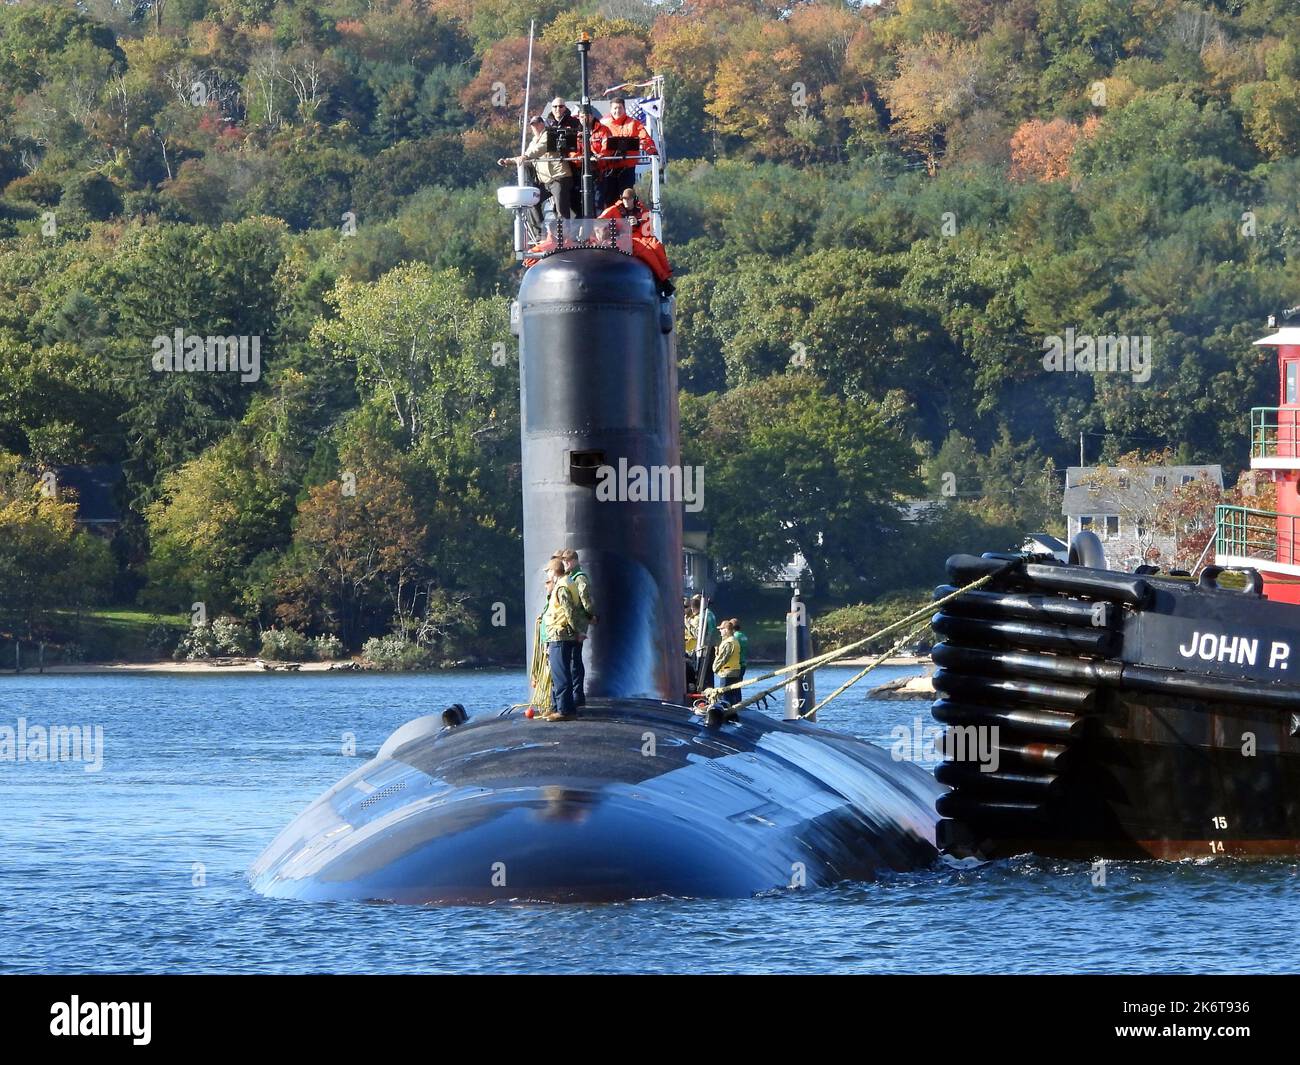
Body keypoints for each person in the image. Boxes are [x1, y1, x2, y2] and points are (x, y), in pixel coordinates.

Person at [598, 187, 673, 295]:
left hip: (640, 236)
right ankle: (662, 279)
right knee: (645, 251)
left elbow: (647, 232)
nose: (626, 201)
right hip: (622, 238)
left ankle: (665, 276)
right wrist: (613, 228)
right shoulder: (613, 210)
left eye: (629, 199)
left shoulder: (643, 210)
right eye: (624, 199)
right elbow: (599, 222)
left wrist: (638, 223)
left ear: (634, 199)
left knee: (656, 246)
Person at [500, 115, 573, 221]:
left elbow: (539, 150)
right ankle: (540, 233)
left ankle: (565, 235)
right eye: (532, 125)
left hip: (559, 177)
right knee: (532, 201)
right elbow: (525, 157)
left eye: (536, 124)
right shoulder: (533, 141)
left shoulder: (549, 134)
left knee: (561, 209)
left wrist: (526, 156)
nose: (534, 127)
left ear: (542, 124)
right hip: (544, 181)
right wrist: (508, 161)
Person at [599, 97, 657, 208]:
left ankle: (627, 221)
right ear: (611, 110)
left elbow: (645, 138)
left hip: (627, 167)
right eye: (615, 108)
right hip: (609, 168)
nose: (617, 111)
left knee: (627, 197)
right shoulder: (603, 124)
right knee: (610, 199)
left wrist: (651, 150)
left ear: (624, 109)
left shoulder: (634, 123)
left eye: (620, 108)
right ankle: (612, 223)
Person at [543, 558, 581, 720]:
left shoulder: (561, 588)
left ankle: (564, 710)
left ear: (553, 571)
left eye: (549, 571)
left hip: (560, 636)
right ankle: (566, 707)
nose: (548, 575)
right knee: (562, 673)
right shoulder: (567, 583)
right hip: (561, 635)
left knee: (560, 674)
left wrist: (576, 631)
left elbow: (568, 612)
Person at [560, 548, 595, 708]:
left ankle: (578, 695)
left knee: (575, 660)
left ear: (574, 561)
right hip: (571, 623)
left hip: (578, 623)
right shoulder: (568, 578)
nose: (565, 564)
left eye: (567, 561)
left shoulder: (579, 578)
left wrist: (590, 616)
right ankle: (575, 694)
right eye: (563, 561)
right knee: (572, 660)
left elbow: (586, 600)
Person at [713, 619, 743, 710]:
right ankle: (735, 710)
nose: (720, 631)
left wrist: (715, 668)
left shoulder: (728, 642)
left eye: (721, 629)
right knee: (734, 694)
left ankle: (727, 712)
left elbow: (724, 657)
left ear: (726, 630)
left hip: (727, 672)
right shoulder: (735, 640)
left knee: (725, 695)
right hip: (736, 671)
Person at [691, 594, 719, 689]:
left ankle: (705, 691)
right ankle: (709, 690)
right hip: (709, 647)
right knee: (708, 674)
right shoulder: (709, 613)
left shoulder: (703, 616)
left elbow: (703, 633)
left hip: (704, 648)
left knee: (703, 673)